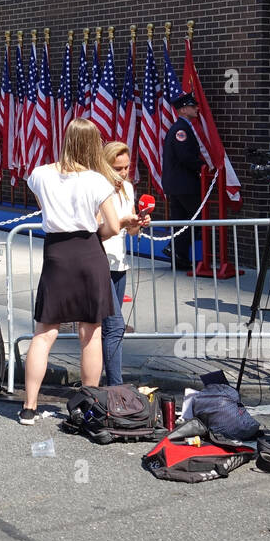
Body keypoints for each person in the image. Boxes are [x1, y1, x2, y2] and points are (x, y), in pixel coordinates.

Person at [19, 119, 141, 424]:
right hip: (88, 252)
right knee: (91, 334)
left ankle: (29, 407)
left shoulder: (40, 174)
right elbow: (112, 227)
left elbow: (45, 210)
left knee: (44, 333)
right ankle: (89, 406)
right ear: (92, 145)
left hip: (56, 254)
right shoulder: (98, 181)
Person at [100, 141, 151, 386]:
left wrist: (138, 222)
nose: (122, 173)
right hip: (99, 260)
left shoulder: (128, 189)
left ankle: (109, 385)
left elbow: (130, 232)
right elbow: (100, 228)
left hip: (119, 263)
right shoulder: (98, 189)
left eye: (125, 168)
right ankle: (116, 387)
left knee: (110, 329)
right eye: (117, 168)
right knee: (115, 325)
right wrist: (122, 222)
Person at [161, 91, 204, 272]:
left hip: (177, 184)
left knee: (181, 221)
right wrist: (202, 166)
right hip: (184, 184)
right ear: (184, 109)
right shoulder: (181, 130)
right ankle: (174, 247)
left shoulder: (181, 127)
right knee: (196, 219)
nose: (197, 109)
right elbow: (185, 157)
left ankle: (179, 257)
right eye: (193, 107)